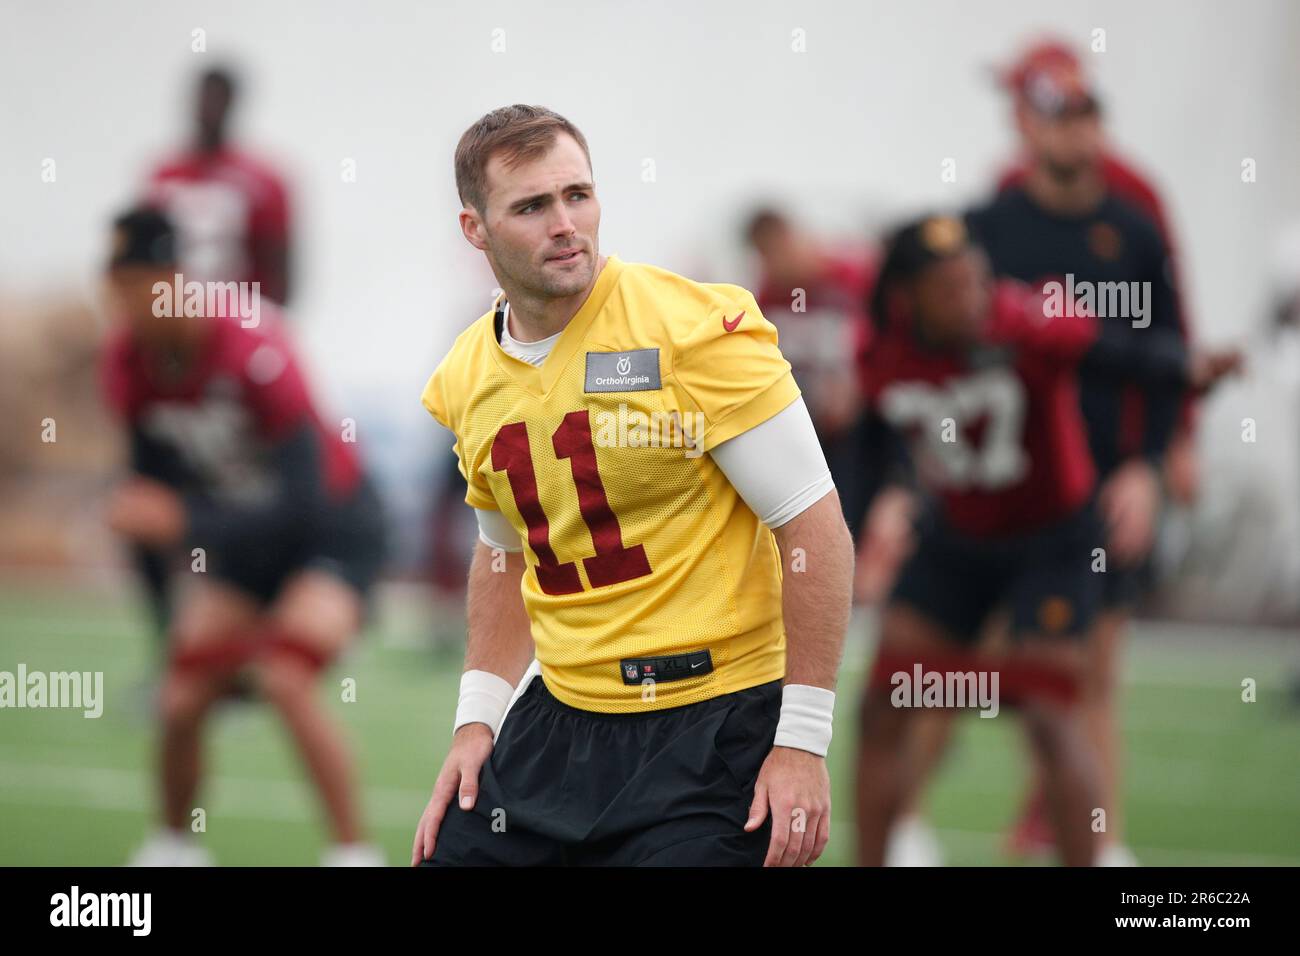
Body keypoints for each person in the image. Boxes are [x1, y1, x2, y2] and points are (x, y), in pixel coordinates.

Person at [412, 105, 854, 867]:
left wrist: (802, 742)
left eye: (577, 195)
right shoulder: (467, 375)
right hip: (563, 717)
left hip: (714, 720)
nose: (564, 224)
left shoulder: (690, 328)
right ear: (474, 229)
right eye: (531, 206)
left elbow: (813, 529)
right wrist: (476, 721)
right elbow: (505, 558)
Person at [852, 215, 1237, 866]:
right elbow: (872, 438)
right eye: (948, 289)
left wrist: (1188, 370)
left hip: (1051, 541)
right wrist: (875, 513)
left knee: (1050, 709)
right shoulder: (882, 349)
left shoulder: (1024, 321)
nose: (971, 299)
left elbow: (1123, 359)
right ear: (907, 299)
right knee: (886, 700)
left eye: (976, 281)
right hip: (954, 539)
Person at [968, 39, 1199, 864]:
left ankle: (1101, 846)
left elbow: (1175, 351)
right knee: (1000, 666)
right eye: (1051, 112)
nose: (1072, 129)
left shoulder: (1134, 219)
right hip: (1015, 482)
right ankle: (1046, 798)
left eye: (1083, 112)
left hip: (1107, 478)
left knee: (1093, 671)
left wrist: (1159, 459)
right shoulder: (990, 218)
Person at [101, 207, 386, 866]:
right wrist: (165, 630)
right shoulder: (127, 363)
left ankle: (354, 854)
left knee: (284, 676)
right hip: (244, 542)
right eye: (113, 287)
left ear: (172, 280)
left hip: (333, 530)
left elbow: (302, 504)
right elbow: (148, 510)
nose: (119, 305)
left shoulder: (254, 347)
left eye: (133, 286)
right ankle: (173, 847)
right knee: (179, 693)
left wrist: (187, 523)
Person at [145, 67, 293, 306]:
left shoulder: (263, 182)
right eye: (204, 97)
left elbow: (279, 264)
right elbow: (145, 255)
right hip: (177, 313)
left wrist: (267, 319)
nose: (208, 107)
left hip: (241, 311)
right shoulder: (164, 176)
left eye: (217, 98)